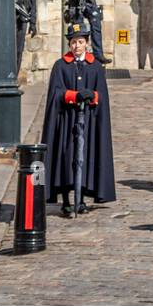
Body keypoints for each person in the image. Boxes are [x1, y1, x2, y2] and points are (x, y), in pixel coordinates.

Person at [41, 21, 116, 218]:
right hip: (66, 119)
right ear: (69, 44)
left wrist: (92, 96)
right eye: (73, 42)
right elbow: (56, 93)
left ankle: (81, 198)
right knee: (66, 156)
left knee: (84, 157)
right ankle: (66, 200)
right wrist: (73, 96)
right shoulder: (60, 66)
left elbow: (102, 96)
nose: (76, 46)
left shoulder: (96, 67)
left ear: (86, 43)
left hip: (88, 121)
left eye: (80, 42)